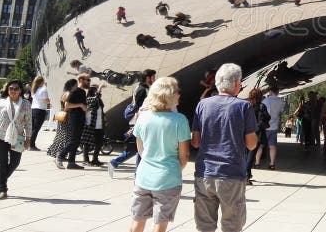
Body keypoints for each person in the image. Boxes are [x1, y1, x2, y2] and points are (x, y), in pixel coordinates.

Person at [191, 63, 258, 232]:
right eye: (240, 81)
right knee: (232, 226)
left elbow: (195, 142)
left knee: (204, 226)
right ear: (235, 83)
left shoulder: (202, 105)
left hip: (204, 173)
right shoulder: (244, 107)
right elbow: (251, 144)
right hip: (231, 173)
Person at [129, 77, 190, 232]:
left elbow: (141, 150)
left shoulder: (143, 117)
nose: (179, 94)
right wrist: (175, 168)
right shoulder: (180, 120)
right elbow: (184, 155)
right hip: (167, 178)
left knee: (137, 221)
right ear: (168, 95)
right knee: (159, 225)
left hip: (143, 176)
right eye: (177, 91)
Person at [0, 80, 32, 200]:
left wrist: (28, 138)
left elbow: (28, 123)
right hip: (0, 136)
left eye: (16, 88)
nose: (13, 90)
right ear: (7, 89)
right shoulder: (1, 103)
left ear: (20, 90)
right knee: (2, 163)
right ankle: (2, 189)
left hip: (18, 137)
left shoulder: (26, 104)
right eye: (11, 88)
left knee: (15, 162)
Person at [109, 69, 157, 177]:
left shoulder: (143, 88)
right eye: (153, 77)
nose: (154, 79)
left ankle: (116, 164)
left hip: (140, 122)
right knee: (141, 149)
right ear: (148, 78)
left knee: (137, 149)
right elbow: (138, 109)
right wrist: (138, 124)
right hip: (140, 122)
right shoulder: (142, 90)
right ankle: (137, 173)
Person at [56, 73, 91, 169]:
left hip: (79, 118)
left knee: (77, 140)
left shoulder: (82, 92)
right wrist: (80, 105)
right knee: (74, 140)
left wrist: (85, 108)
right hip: (75, 118)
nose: (89, 82)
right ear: (81, 80)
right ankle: (60, 156)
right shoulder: (76, 91)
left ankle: (71, 162)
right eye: (87, 80)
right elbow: (67, 105)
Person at [46, 79, 79, 161]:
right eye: (76, 85)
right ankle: (60, 154)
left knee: (61, 136)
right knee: (65, 136)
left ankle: (56, 152)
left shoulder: (65, 93)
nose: (77, 87)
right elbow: (66, 106)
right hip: (66, 116)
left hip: (62, 115)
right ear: (72, 86)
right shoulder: (68, 93)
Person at [247, 88, 270, 183]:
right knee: (251, 154)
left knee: (246, 154)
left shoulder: (246, 105)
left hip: (246, 132)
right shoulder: (261, 106)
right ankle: (246, 175)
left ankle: (247, 173)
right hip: (257, 133)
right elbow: (267, 117)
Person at [261, 85, 286, 169]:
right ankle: (272, 163)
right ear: (278, 92)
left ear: (270, 91)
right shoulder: (281, 101)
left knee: (261, 145)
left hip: (265, 126)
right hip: (274, 126)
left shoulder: (266, 100)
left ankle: (257, 162)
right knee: (272, 145)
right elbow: (281, 111)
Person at [81, 84, 105, 166]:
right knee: (87, 143)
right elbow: (95, 99)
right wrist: (100, 87)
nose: (99, 92)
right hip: (90, 124)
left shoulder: (98, 100)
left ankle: (95, 159)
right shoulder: (89, 99)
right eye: (96, 90)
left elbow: (101, 110)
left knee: (99, 143)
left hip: (99, 125)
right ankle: (85, 160)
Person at [29, 76, 50, 151]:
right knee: (36, 129)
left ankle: (29, 144)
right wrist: (50, 102)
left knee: (32, 128)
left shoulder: (34, 89)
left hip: (33, 109)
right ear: (42, 82)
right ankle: (32, 145)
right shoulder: (44, 89)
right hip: (40, 110)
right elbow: (46, 100)